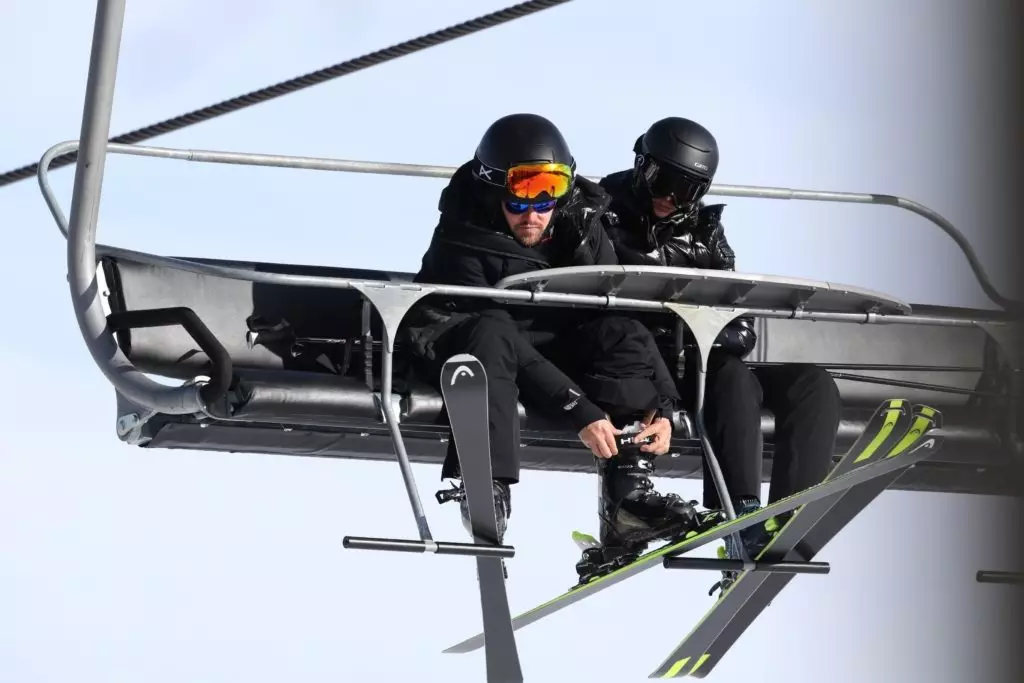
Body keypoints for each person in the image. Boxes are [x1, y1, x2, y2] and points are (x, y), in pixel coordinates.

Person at [401, 113, 704, 560]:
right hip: (461, 339)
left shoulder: (583, 223)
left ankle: (628, 499)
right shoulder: (462, 238)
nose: (535, 211)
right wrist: (577, 407)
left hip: (549, 345)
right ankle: (486, 482)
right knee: (494, 330)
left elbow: (625, 320)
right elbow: (500, 337)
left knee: (615, 330)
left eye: (550, 193)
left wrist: (664, 406)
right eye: (522, 194)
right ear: (494, 189)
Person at [598, 116, 842, 596]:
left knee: (813, 383)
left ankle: (789, 517)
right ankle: (740, 516)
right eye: (661, 181)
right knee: (731, 377)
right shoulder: (601, 215)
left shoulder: (707, 234)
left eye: (687, 190)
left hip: (698, 362)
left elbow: (740, 326)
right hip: (643, 369)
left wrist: (697, 330)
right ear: (639, 166)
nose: (670, 198)